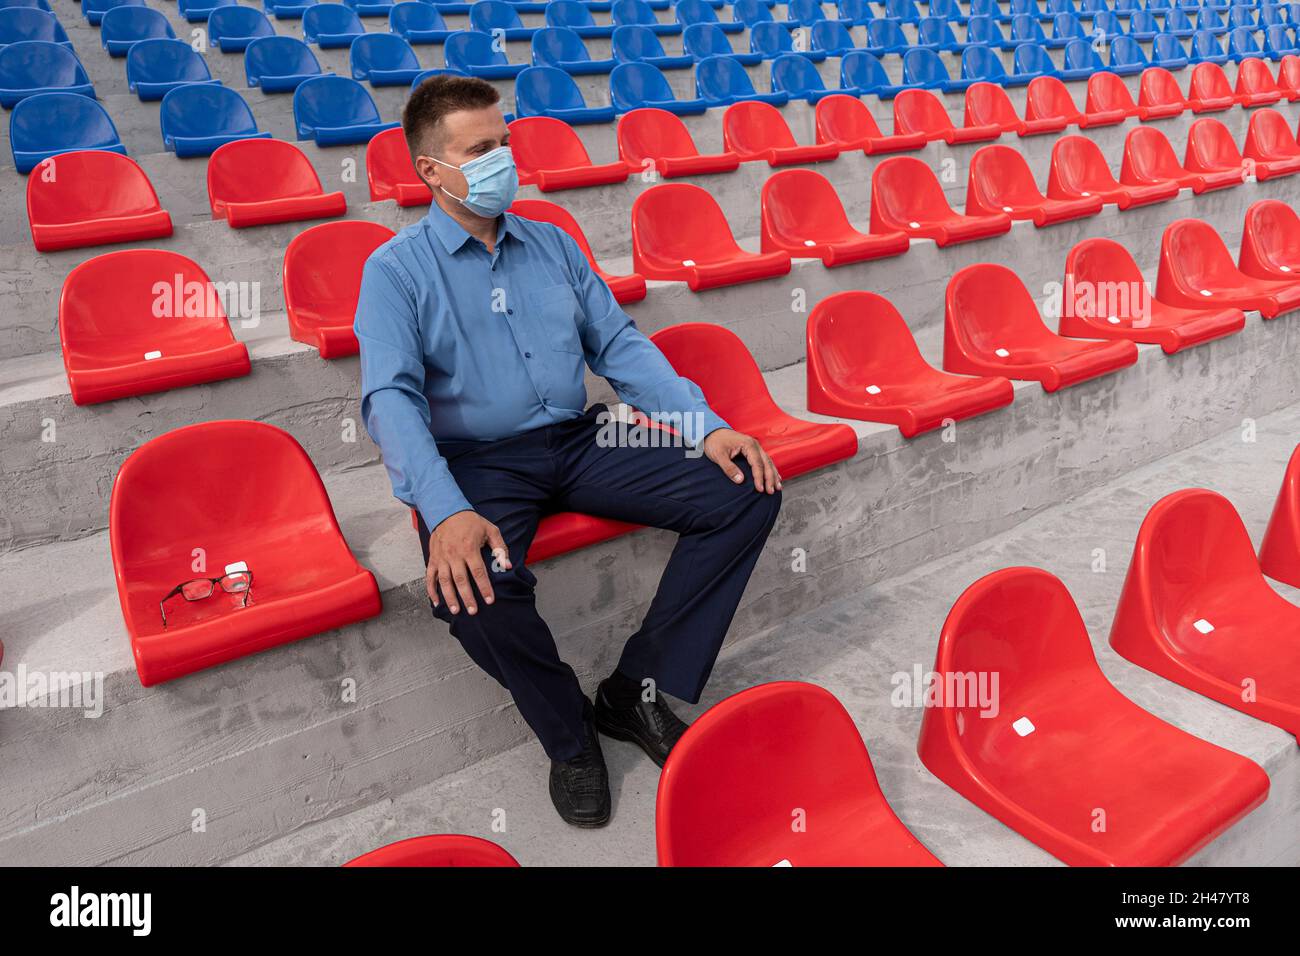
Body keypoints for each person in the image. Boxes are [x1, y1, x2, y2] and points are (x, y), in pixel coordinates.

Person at [355, 75, 782, 827]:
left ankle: (633, 693)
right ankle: (569, 733)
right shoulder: (395, 271)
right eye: (478, 150)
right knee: (473, 591)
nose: (500, 161)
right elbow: (390, 399)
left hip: (580, 439)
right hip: (476, 463)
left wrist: (705, 426)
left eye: (504, 143)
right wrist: (443, 506)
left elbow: (617, 343)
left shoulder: (550, 242)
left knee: (746, 489)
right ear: (431, 170)